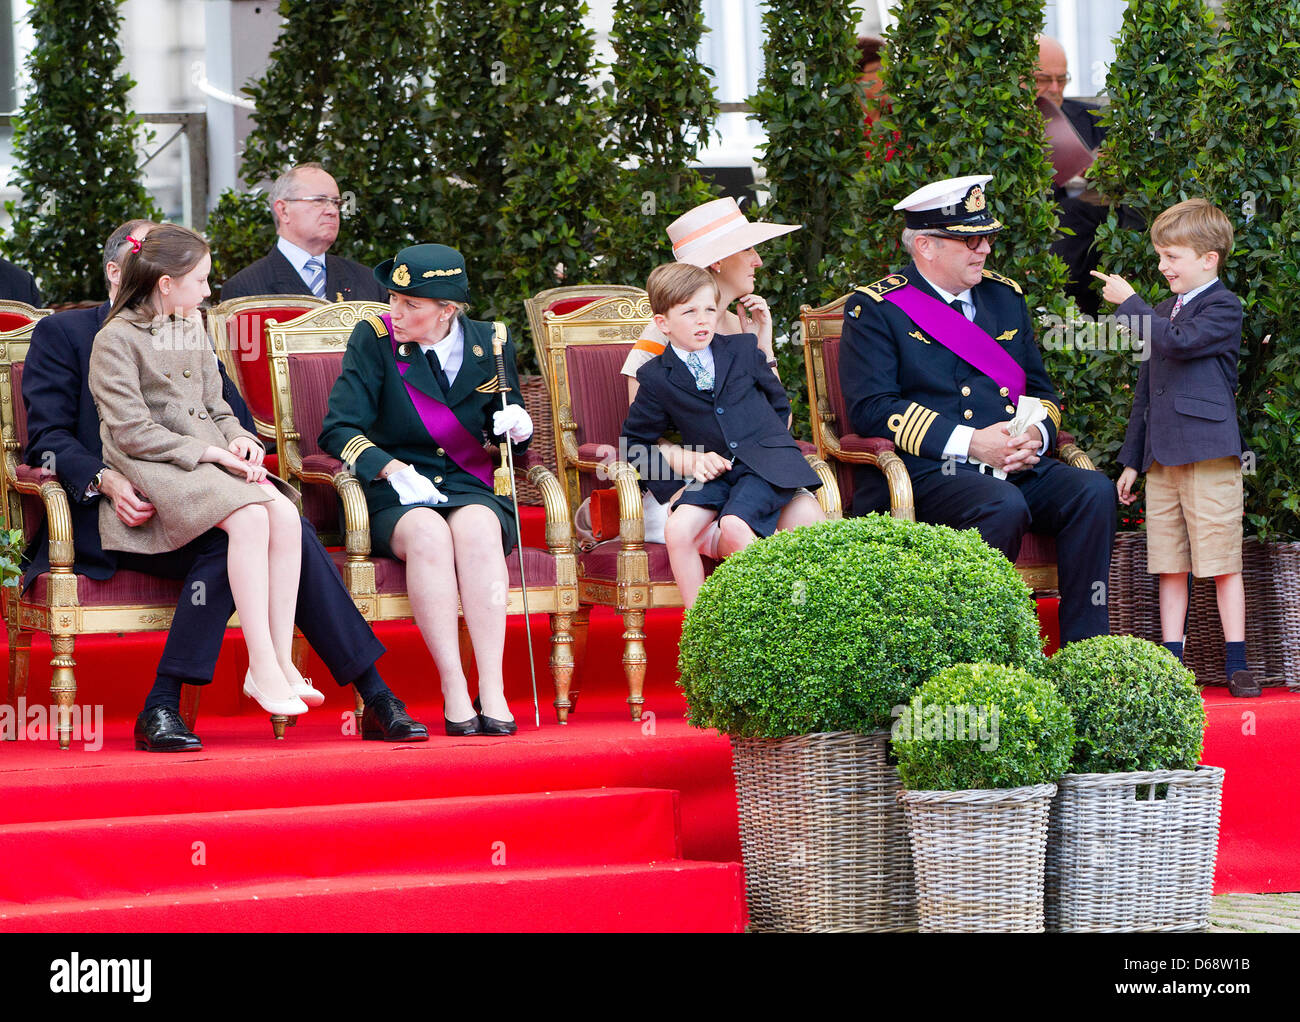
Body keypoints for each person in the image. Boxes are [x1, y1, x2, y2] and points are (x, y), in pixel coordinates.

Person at [22, 219, 428, 750]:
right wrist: (105, 479)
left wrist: (245, 444)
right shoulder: (72, 334)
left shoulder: (185, 323)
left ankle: (363, 694)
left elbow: (226, 410)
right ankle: (174, 703)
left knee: (278, 527)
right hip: (122, 508)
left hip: (199, 489)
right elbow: (48, 440)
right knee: (242, 532)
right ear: (119, 271)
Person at [838, 174, 1115, 644]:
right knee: (1000, 505)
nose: (983, 249)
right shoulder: (878, 308)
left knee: (1093, 490)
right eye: (968, 240)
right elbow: (872, 408)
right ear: (925, 245)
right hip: (930, 471)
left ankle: (1085, 653)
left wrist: (1037, 436)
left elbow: (1042, 392)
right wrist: (973, 444)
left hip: (1013, 460)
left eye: (985, 237)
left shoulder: (1004, 298)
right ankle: (980, 650)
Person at [319, 244, 533, 736]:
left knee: (479, 530)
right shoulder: (373, 338)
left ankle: (494, 688)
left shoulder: (492, 342)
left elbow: (506, 436)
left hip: (465, 481)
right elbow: (337, 429)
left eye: (411, 304)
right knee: (430, 536)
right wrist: (390, 468)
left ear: (447, 310)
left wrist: (516, 429)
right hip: (396, 485)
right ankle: (454, 688)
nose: (395, 311)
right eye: (394, 297)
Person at [1095, 198, 1257, 696]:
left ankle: (1238, 661)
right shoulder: (1161, 312)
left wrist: (1129, 304)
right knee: (1169, 561)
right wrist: (1131, 461)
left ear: (1209, 258)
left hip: (1209, 453)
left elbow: (1180, 342)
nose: (1162, 267)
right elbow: (1146, 392)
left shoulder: (1224, 307)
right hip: (1162, 457)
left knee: (1222, 559)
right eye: (1160, 257)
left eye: (1172, 257)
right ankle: (1172, 662)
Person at [620, 196, 816, 552]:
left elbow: (775, 429)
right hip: (684, 487)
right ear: (719, 261)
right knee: (748, 535)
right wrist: (695, 463)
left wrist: (763, 348)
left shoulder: (734, 328)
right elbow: (642, 441)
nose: (758, 260)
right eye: (749, 250)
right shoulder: (662, 334)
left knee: (809, 522)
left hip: (746, 474)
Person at [622, 263, 823, 607]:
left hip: (763, 464)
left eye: (710, 310)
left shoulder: (743, 349)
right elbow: (634, 443)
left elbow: (779, 408)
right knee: (678, 528)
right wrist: (676, 486)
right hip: (717, 471)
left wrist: (769, 447)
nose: (703, 320)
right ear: (663, 324)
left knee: (733, 523)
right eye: (689, 312)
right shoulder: (655, 376)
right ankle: (700, 627)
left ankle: (773, 614)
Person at [219, 163, 387, 303]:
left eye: (336, 203)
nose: (332, 211)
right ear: (283, 210)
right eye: (319, 200)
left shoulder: (369, 281)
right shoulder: (245, 290)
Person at [1036, 35, 1110, 316]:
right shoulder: (995, 133)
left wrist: (1105, 172)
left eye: (1062, 78)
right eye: (1043, 79)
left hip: (1091, 273)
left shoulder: (1094, 120)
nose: (1055, 89)